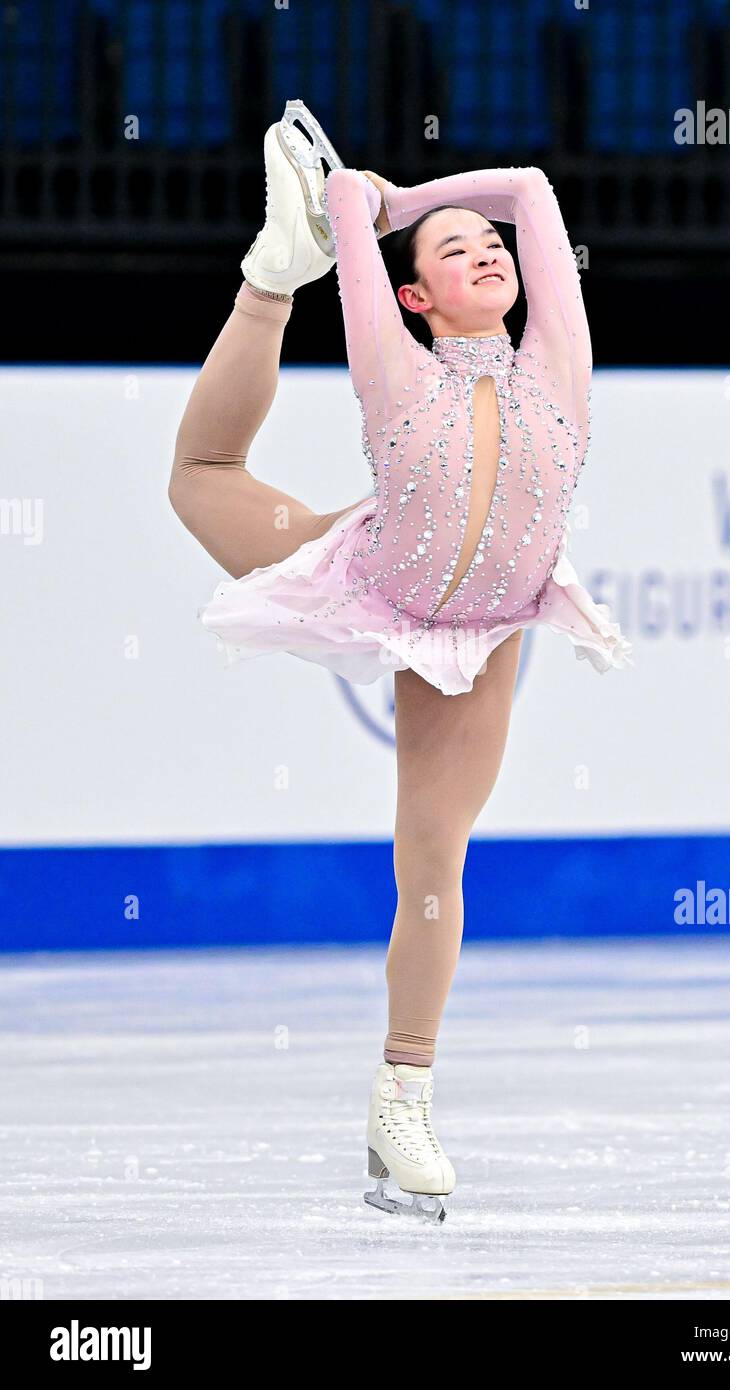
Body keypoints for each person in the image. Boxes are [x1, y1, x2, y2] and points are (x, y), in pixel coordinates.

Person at [168, 101, 632, 1221]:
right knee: (199, 474)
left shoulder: (557, 363)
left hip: (479, 630)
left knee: (430, 855)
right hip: (363, 568)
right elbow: (354, 215)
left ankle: (401, 1097)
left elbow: (526, 182)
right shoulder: (397, 367)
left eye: (491, 249)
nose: (483, 250)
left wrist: (404, 203)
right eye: (449, 252)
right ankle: (269, 280)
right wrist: (344, 218)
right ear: (412, 298)